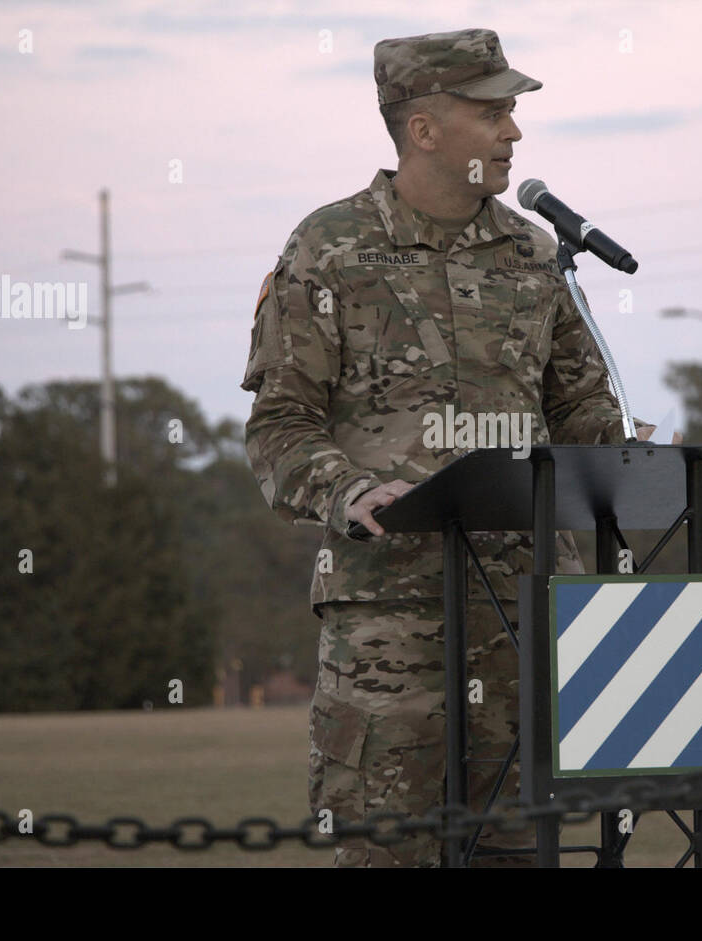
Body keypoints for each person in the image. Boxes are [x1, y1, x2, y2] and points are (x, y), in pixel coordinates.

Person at [241, 27, 656, 866]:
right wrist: (346, 491)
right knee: (393, 854)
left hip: (526, 617)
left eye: (512, 113)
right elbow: (279, 423)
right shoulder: (329, 249)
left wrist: (629, 454)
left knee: (518, 853)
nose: (514, 133)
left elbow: (577, 409)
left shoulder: (535, 256)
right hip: (393, 630)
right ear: (424, 128)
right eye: (493, 112)